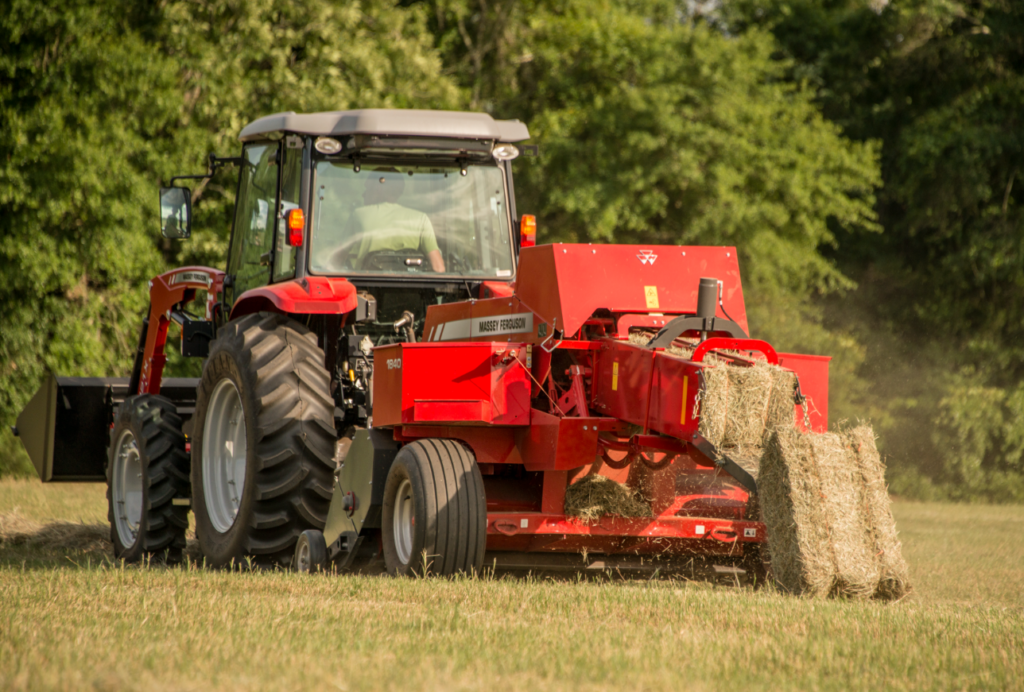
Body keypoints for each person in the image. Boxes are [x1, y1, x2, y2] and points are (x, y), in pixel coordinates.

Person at [335, 172, 445, 272]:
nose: (363, 194)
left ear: (378, 189)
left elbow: (336, 261)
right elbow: (438, 268)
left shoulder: (358, 214)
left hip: (365, 288)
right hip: (413, 291)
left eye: (368, 189)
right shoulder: (421, 219)